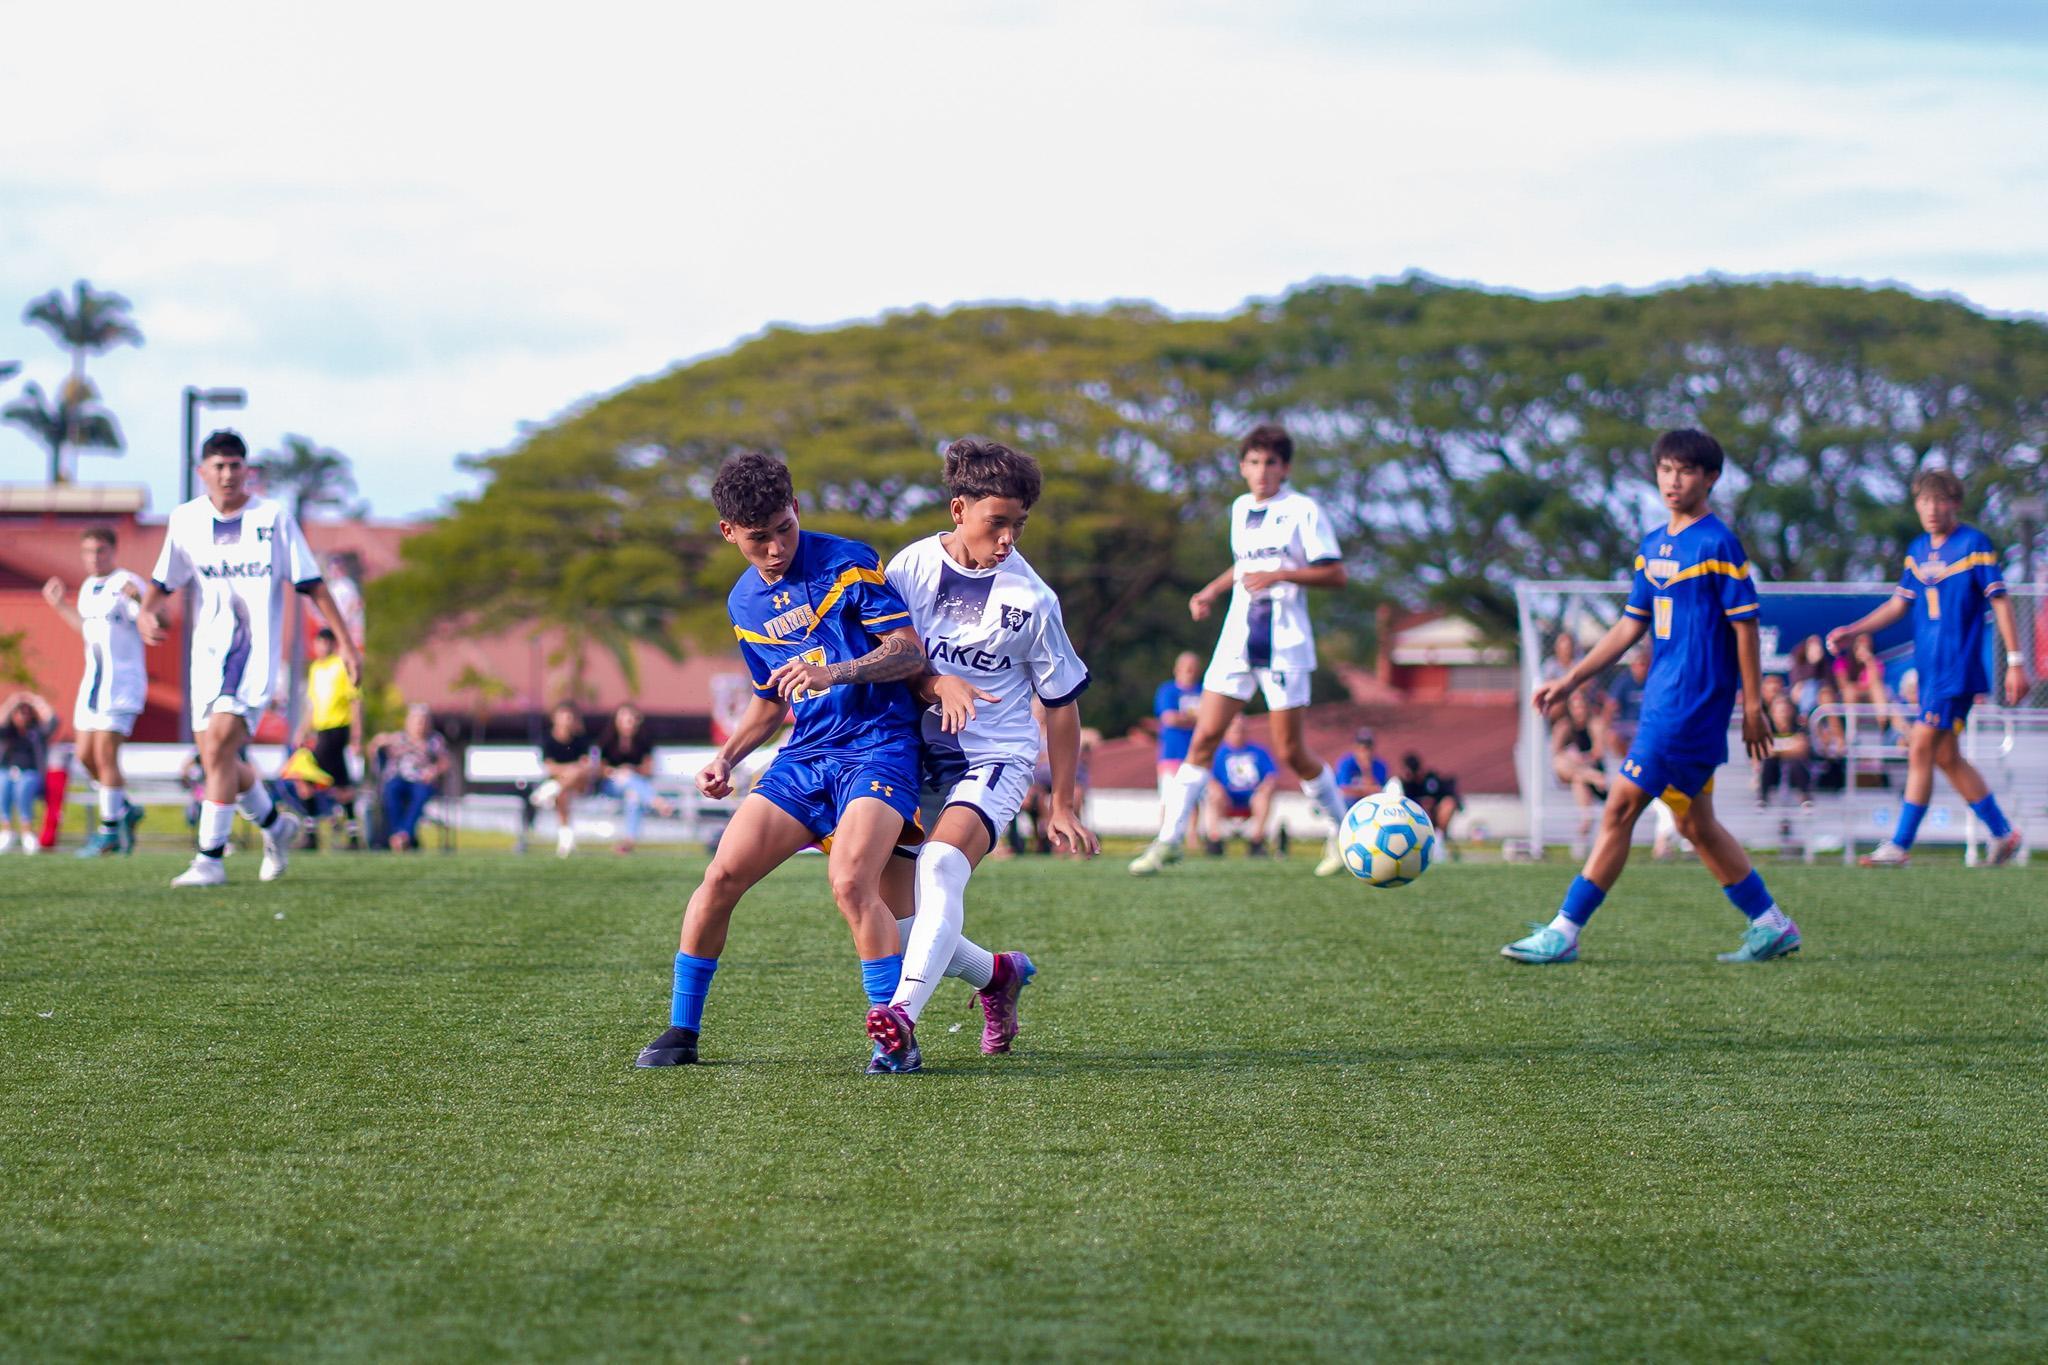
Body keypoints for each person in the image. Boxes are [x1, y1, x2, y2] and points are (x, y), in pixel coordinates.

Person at [634, 451, 932, 1071]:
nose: (774, 548)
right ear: (728, 534)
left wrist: (835, 671)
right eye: (756, 539)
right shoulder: (743, 603)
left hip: (879, 747)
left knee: (851, 883)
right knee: (720, 878)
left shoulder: (848, 563)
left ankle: (892, 1042)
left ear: (796, 509)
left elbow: (908, 653)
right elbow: (770, 702)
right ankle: (681, 1033)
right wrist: (727, 757)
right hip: (805, 757)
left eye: (783, 529)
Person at [1504, 428, 1799, 965]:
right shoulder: (1651, 546)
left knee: (1620, 806)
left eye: (1685, 471)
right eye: (1665, 469)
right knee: (1694, 823)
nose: (1673, 480)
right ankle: (1770, 923)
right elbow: (1626, 629)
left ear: (1710, 478)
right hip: (1665, 701)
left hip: (1691, 706)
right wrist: (1570, 678)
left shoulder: (1718, 544)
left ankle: (1564, 929)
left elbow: (1746, 628)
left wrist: (1753, 705)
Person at [863, 438, 1098, 1073]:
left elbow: (1063, 702)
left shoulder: (1034, 600)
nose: (1008, 540)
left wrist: (1064, 803)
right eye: (997, 522)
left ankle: (902, 1018)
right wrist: (935, 683)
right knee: (898, 915)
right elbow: (892, 656)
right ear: (958, 508)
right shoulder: (911, 568)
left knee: (941, 865)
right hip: (911, 754)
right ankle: (997, 975)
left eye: (1019, 525)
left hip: (993, 757)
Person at [138, 430, 362, 888]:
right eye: (217, 466)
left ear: (247, 471)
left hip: (255, 659)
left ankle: (209, 860)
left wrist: (346, 643)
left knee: (220, 744)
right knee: (216, 760)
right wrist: (146, 613)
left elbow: (313, 583)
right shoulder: (185, 520)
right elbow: (163, 582)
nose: (226, 474)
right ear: (202, 472)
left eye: (235, 465)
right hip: (206, 658)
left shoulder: (273, 518)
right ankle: (276, 827)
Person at [1130, 424, 1352, 876]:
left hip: (1284, 644)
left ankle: (1343, 835)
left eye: (1271, 462)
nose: (1262, 471)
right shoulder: (1239, 509)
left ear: (1285, 468)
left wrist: (1281, 575)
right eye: (1253, 462)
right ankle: (1168, 841)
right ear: (1241, 467)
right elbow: (1245, 564)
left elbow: (1335, 574)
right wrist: (1211, 591)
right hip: (1236, 641)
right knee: (1204, 738)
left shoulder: (1302, 510)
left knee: (1291, 752)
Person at [1826, 468, 2027, 866]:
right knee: (1945, 757)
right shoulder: (1918, 549)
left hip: (1957, 669)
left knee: (1919, 746)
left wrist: (2016, 662)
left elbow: (2000, 601)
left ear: (1954, 504)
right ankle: (2004, 834)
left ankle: (1899, 846)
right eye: (1924, 501)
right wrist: (1854, 630)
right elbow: (1900, 603)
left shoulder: (1973, 544)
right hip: (1931, 671)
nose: (1932, 509)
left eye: (1940, 501)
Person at [41, 526, 148, 855]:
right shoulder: (89, 587)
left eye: (100, 551)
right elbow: (88, 630)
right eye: (88, 552)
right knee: (86, 756)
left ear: (113, 551)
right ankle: (124, 808)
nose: (94, 558)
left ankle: (109, 832)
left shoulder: (126, 583)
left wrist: (141, 600)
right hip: (93, 685)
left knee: (105, 755)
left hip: (122, 684)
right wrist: (60, 606)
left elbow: (157, 619)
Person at [297, 627, 363, 849]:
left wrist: (356, 735)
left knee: (305, 774)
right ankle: (353, 834)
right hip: (322, 731)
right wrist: (303, 729)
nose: (322, 647)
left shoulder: (340, 666)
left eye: (326, 642)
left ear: (333, 645)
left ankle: (311, 832)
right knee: (342, 784)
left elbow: (354, 700)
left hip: (337, 730)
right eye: (319, 642)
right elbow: (313, 705)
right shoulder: (315, 669)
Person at [593, 703, 675, 854]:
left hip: (635, 785)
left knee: (634, 795)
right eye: (625, 719)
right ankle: (657, 801)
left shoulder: (643, 741)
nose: (628, 723)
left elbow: (647, 769)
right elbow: (600, 770)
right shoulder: (607, 740)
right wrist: (617, 772)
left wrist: (631, 770)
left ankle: (628, 842)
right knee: (628, 779)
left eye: (631, 719)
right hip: (611, 786)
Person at [369, 704, 450, 851]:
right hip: (398, 778)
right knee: (391, 790)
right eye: (417, 721)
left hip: (422, 780)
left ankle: (401, 836)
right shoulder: (399, 737)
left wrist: (433, 770)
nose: (420, 725)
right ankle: (402, 837)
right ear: (409, 722)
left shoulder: (434, 740)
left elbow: (445, 762)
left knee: (420, 794)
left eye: (423, 721)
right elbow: (376, 745)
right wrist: (378, 742)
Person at [1202, 716, 1279, 856]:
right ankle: (1215, 841)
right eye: (1235, 729)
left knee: (1263, 797)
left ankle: (1256, 841)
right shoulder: (1217, 753)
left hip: (1252, 796)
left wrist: (1265, 788)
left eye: (1241, 729)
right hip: (1226, 797)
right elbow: (1209, 777)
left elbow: (1270, 776)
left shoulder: (1259, 752)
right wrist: (1216, 788)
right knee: (1213, 795)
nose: (1238, 732)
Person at [1315, 727, 1388, 875]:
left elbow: (1379, 791)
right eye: (1361, 745)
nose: (1364, 750)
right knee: (1338, 817)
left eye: (1368, 746)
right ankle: (1336, 854)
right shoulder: (1347, 763)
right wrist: (1366, 789)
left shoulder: (1379, 765)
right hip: (1349, 805)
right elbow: (1344, 789)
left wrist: (1366, 769)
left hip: (1370, 807)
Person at [1152, 651, 1205, 853]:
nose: (1190, 671)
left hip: (1196, 753)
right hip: (1172, 754)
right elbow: (1169, 718)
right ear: (1177, 669)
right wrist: (1196, 719)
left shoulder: (1203, 691)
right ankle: (1164, 837)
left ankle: (1192, 838)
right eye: (1186, 667)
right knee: (1168, 796)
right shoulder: (1168, 691)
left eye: (1193, 667)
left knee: (1193, 797)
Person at [1550, 690, 1609, 855]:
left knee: (1578, 779)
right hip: (1580, 772)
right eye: (1575, 707)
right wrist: (1574, 759)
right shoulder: (1563, 726)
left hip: (1589, 770)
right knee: (1561, 763)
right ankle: (1592, 777)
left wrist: (1582, 759)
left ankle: (1584, 827)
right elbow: (1557, 754)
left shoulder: (1595, 724)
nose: (1579, 711)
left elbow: (1598, 752)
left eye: (1582, 706)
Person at [0, 693, 58, 854]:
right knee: (2, 782)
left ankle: (27, 832)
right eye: (20, 712)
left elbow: (54, 721)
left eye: (26, 712)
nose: (23, 716)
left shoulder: (37, 733)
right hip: (7, 772)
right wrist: (12, 702)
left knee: (23, 786)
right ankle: (6, 830)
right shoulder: (7, 732)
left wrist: (37, 701)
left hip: (31, 774)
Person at [537, 702, 595, 857]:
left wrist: (571, 770)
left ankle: (550, 790)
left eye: (569, 717)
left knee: (576, 774)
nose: (566, 720)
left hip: (580, 785)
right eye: (563, 716)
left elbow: (586, 767)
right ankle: (565, 839)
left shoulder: (580, 740)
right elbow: (550, 767)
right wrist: (570, 769)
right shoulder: (547, 739)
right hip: (561, 784)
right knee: (563, 792)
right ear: (555, 718)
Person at [1398, 752, 1464, 860]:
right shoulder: (1405, 784)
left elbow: (1448, 795)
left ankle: (1438, 839)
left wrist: (1433, 804)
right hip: (1415, 819)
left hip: (1435, 817)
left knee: (1448, 803)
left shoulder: (1432, 779)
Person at [1755, 693, 1814, 806]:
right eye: (1779, 710)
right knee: (1768, 762)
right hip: (1774, 771)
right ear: (1772, 712)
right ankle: (1762, 798)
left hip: (1796, 772)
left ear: (1791, 711)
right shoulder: (1766, 728)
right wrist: (1789, 749)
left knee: (1795, 762)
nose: (1783, 714)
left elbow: (1801, 749)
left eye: (1785, 710)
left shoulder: (1799, 727)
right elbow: (1763, 751)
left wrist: (1777, 751)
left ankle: (1805, 797)